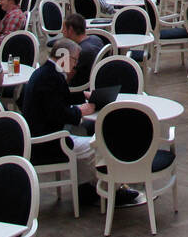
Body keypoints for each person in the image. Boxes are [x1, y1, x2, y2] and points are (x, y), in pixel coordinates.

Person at [20, 38, 143, 209]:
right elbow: (59, 113)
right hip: (49, 142)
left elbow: (56, 100)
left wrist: (83, 97)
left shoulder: (45, 72)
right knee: (100, 145)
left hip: (41, 136)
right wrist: (81, 111)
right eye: (75, 61)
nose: (76, 66)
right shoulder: (51, 78)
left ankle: (87, 188)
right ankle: (113, 190)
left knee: (91, 143)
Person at [61, 11, 106, 93]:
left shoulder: (79, 52)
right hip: (97, 86)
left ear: (70, 30)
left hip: (78, 91)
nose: (62, 32)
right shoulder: (97, 39)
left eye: (63, 29)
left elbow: (66, 78)